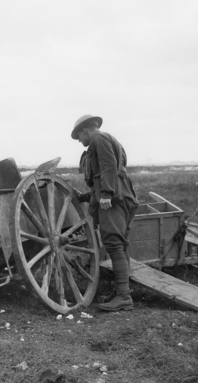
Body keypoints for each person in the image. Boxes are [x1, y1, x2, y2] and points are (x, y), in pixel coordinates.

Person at [71, 115, 138, 311]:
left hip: (114, 200)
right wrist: (84, 197)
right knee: (120, 245)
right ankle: (122, 292)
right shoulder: (107, 140)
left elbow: (109, 166)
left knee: (114, 245)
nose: (80, 142)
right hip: (122, 196)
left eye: (79, 138)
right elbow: (105, 177)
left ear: (85, 131)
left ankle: (124, 297)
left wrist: (107, 194)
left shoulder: (99, 139)